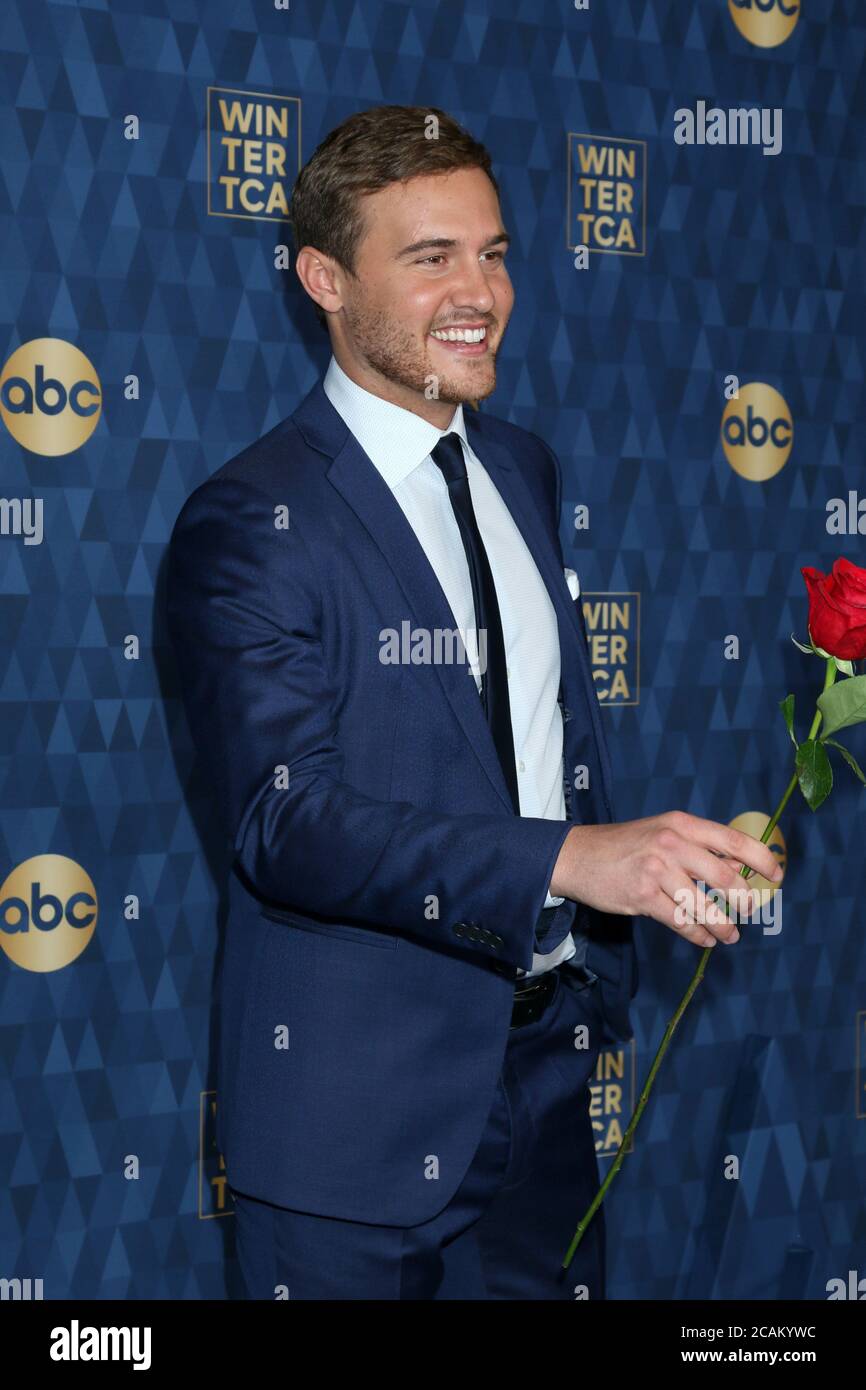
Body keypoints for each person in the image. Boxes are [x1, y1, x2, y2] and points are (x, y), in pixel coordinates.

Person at [165, 104, 782, 1300]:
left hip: (547, 1090)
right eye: (430, 257)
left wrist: (633, 883)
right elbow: (283, 822)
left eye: (493, 253)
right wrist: (567, 859)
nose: (479, 294)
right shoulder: (250, 520)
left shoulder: (519, 467)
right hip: (353, 1125)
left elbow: (530, 745)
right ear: (324, 281)